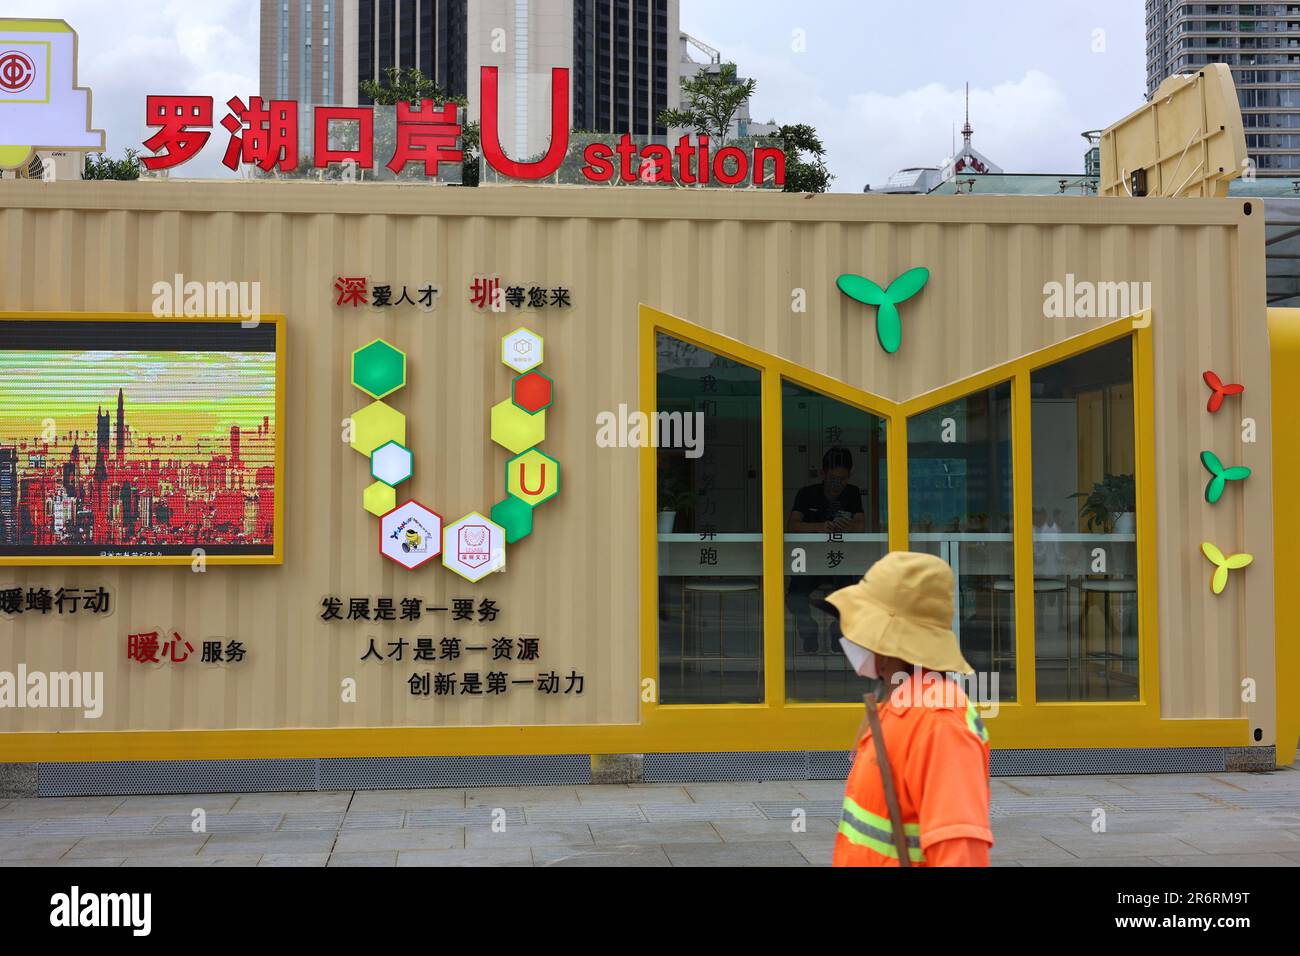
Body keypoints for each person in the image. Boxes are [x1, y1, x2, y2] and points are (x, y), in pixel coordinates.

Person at [821, 551, 993, 867]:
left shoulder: (939, 722)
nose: (850, 635)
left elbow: (960, 854)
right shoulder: (899, 703)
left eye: (860, 625)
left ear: (889, 641)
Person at [786, 447, 867, 653]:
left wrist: (845, 526)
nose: (837, 484)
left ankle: (837, 632)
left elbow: (860, 525)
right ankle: (809, 631)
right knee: (794, 598)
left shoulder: (852, 493)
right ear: (823, 474)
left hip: (840, 560)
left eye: (842, 479)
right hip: (812, 561)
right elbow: (793, 525)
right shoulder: (807, 494)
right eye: (833, 479)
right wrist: (820, 527)